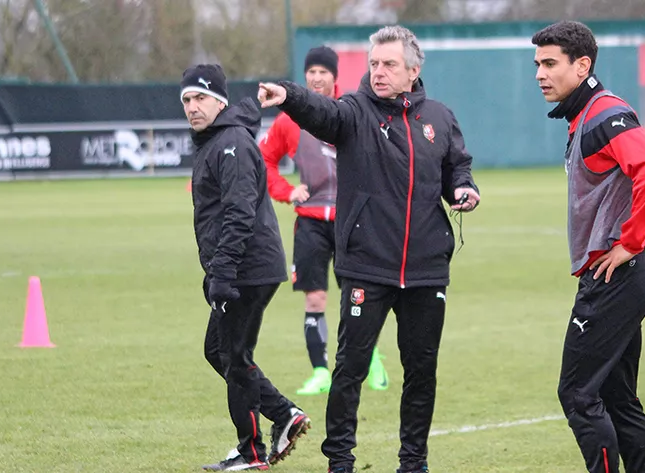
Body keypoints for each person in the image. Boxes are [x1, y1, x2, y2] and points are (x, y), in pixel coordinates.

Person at [258, 25, 480, 473]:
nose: (378, 72)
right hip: (367, 265)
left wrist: (464, 189)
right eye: (373, 64)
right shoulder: (353, 112)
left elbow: (458, 165)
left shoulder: (439, 116)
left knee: (421, 372)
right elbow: (321, 112)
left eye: (389, 65)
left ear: (413, 70)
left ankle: (413, 462)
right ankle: (339, 461)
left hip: (425, 268)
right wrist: (288, 94)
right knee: (350, 369)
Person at [532, 21, 645, 473]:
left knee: (577, 394)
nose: (540, 73)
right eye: (537, 64)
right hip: (624, 278)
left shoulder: (604, 114)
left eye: (550, 63)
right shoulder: (585, 116)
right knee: (617, 397)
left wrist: (629, 242)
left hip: (618, 276)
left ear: (582, 65)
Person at [182, 63, 311, 471]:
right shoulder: (218, 139)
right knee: (219, 351)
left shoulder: (230, 143)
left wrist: (222, 273)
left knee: (234, 357)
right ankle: (285, 414)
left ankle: (252, 451)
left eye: (200, 98)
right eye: (186, 100)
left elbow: (238, 213)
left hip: (247, 269)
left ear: (219, 101)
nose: (192, 107)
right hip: (243, 266)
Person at [259, 45, 389, 396]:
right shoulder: (289, 120)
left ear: (334, 77)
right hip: (312, 223)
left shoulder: (351, 112)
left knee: (359, 297)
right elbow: (264, 161)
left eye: (323, 72)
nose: (316, 77)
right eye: (311, 72)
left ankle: (372, 360)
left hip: (352, 221)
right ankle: (320, 371)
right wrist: (287, 191)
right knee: (314, 299)